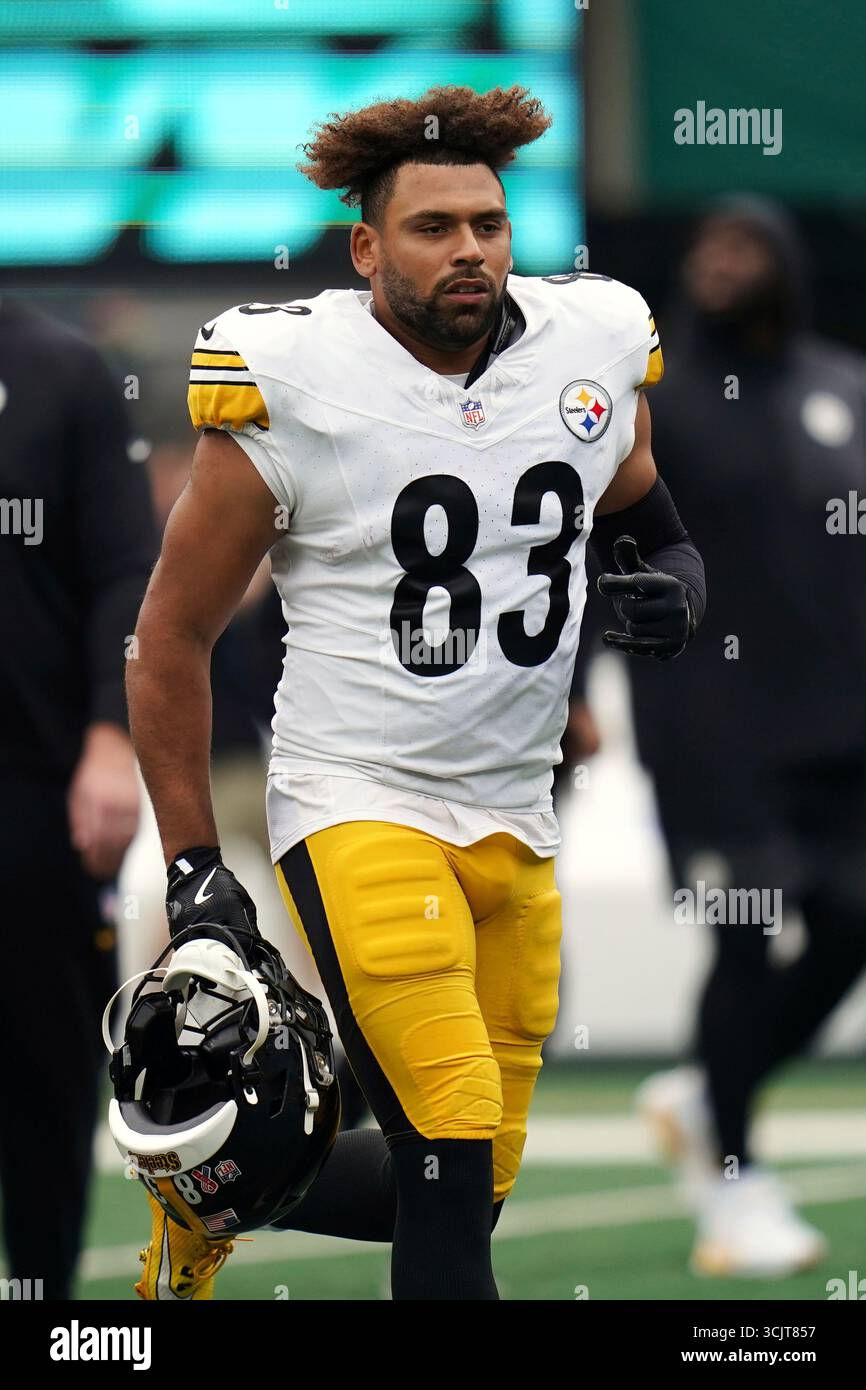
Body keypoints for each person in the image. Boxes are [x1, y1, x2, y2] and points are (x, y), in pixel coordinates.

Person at [125, 84, 705, 1300]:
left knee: (459, 1189)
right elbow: (167, 638)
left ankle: (213, 1185)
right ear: (365, 247)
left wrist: (671, 587)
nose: (469, 252)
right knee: (445, 1139)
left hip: (515, 810)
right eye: (434, 227)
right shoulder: (293, 376)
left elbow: (649, 516)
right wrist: (192, 867)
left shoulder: (588, 342)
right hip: (359, 801)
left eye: (487, 225)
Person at [630, 197, 866, 1277]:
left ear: (783, 262)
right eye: (704, 243)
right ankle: (731, 1184)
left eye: (742, 244)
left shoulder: (841, 388)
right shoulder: (655, 398)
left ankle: (705, 1087)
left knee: (851, 924)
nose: (719, 262)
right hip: (709, 728)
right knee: (739, 934)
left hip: (838, 727)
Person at [0, 296, 156, 1299]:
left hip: (31, 780)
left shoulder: (64, 372)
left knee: (42, 1060)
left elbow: (125, 574)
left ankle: (42, 1295)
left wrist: (111, 737)